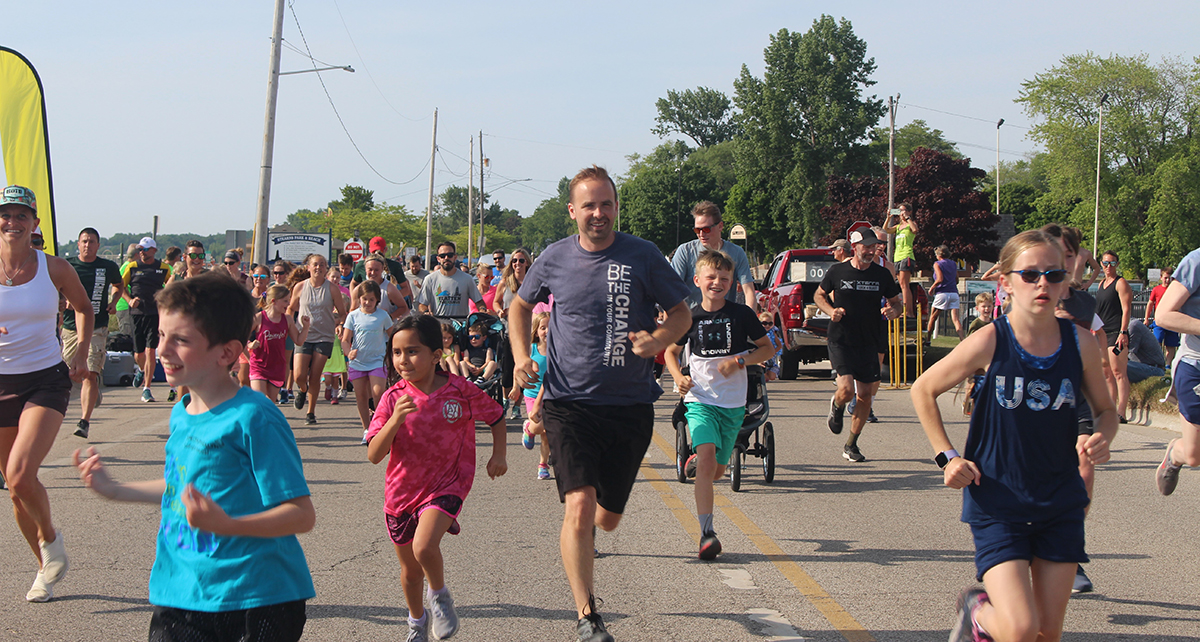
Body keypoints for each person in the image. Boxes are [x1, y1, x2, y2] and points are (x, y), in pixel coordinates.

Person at [72, 271, 316, 639]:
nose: (165, 350)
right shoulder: (182, 412)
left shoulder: (255, 417)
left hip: (255, 598)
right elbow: (183, 485)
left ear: (227, 353)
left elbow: (300, 514)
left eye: (181, 340)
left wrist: (229, 525)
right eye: (164, 336)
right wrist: (116, 489)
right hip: (181, 592)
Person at [509, 166, 691, 642]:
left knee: (605, 520)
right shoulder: (553, 259)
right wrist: (521, 356)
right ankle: (587, 616)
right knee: (579, 506)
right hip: (568, 404)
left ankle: (590, 537)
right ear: (573, 211)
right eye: (588, 205)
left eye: (606, 204)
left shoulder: (643, 255)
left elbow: (681, 313)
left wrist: (659, 340)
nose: (598, 213)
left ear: (615, 207)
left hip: (629, 406)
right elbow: (519, 306)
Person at [910, 229, 1117, 642]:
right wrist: (947, 457)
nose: (1043, 284)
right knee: (1021, 629)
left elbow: (1106, 410)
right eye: (1031, 275)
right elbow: (923, 389)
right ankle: (978, 610)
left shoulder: (1080, 344)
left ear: (1067, 281)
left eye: (1054, 275)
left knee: (1046, 634)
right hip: (998, 499)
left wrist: (1103, 437)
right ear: (1005, 282)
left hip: (1060, 500)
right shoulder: (991, 339)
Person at [366, 315, 507, 642]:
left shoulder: (460, 391)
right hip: (401, 494)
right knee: (411, 573)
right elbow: (374, 454)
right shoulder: (392, 398)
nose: (403, 360)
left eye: (412, 351)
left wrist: (498, 454)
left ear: (436, 354)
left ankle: (440, 597)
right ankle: (417, 621)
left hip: (447, 484)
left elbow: (497, 416)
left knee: (425, 546)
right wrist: (395, 419)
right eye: (397, 353)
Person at [0, 185, 94, 602]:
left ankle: (51, 540)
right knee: (17, 487)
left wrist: (81, 355)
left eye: (21, 216)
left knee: (20, 473)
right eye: (5, 215)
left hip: (44, 379)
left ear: (35, 224)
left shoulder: (54, 268)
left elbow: (84, 307)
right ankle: (45, 567)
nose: (12, 223)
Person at [664, 250, 774, 560]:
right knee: (708, 459)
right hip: (700, 400)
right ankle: (706, 533)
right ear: (697, 281)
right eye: (710, 277)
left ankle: (699, 462)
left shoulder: (742, 316)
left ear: (731, 284)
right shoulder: (689, 317)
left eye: (724, 278)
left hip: (733, 404)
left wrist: (740, 360)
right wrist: (678, 378)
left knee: (717, 471)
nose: (717, 283)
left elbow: (767, 349)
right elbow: (671, 353)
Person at [814, 228, 902, 462]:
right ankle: (837, 403)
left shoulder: (881, 274)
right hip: (841, 339)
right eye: (867, 246)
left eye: (875, 247)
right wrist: (831, 311)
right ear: (855, 247)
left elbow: (897, 302)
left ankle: (851, 444)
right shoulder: (837, 271)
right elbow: (819, 295)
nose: (872, 250)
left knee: (864, 396)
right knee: (846, 390)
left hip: (869, 341)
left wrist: (894, 310)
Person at [62, 227, 124, 439]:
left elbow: (118, 284)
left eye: (92, 242)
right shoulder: (67, 265)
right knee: (71, 373)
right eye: (84, 241)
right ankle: (93, 392)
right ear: (78, 244)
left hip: (97, 326)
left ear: (98, 245)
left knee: (89, 372)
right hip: (71, 328)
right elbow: (53, 288)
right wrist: (63, 301)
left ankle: (84, 421)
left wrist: (114, 302)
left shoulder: (107, 266)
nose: (88, 245)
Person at [1153, 244, 1200, 496]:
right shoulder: (1197, 261)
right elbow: (1163, 315)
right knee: (1194, 455)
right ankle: (1175, 454)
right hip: (1196, 363)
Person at [288, 253, 348, 425]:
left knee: (315, 375)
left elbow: (342, 313)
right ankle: (302, 389)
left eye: (322, 265)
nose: (318, 268)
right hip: (304, 335)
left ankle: (310, 412)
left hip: (324, 337)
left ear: (326, 269)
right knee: (299, 374)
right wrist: (290, 326)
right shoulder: (300, 287)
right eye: (315, 264)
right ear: (308, 267)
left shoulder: (332, 289)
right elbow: (291, 309)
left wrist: (336, 322)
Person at [669, 201, 756, 311]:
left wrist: (750, 321)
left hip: (725, 319)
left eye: (706, 229)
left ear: (720, 226)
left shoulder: (737, 252)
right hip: (692, 320)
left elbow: (749, 291)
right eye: (697, 230)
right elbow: (672, 291)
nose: (701, 234)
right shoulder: (685, 251)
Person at [123, 236, 175, 403]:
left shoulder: (163, 268)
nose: (142, 253)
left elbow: (173, 284)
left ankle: (147, 388)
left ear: (154, 250)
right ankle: (141, 369)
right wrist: (129, 300)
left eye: (145, 250)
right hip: (137, 313)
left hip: (155, 313)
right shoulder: (132, 267)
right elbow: (120, 285)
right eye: (140, 250)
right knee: (139, 354)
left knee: (150, 350)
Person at [342, 280, 391, 444]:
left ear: (377, 299)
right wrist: (349, 352)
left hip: (377, 360)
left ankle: (380, 427)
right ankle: (367, 429)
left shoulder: (383, 316)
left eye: (371, 299)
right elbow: (345, 339)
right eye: (364, 299)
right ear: (359, 299)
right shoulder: (353, 316)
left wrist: (395, 353)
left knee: (378, 393)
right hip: (358, 363)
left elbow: (393, 335)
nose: (368, 303)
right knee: (361, 396)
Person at [248, 285, 310, 405]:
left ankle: (267, 423)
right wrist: (250, 345)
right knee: (260, 401)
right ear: (273, 301)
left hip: (277, 367)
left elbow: (298, 340)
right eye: (285, 301)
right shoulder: (259, 318)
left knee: (270, 404)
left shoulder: (287, 319)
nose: (288, 304)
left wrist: (306, 328)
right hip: (259, 365)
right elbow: (242, 337)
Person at [493, 248, 534, 418]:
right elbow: (496, 302)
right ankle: (505, 400)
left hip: (529, 334)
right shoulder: (505, 282)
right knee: (507, 371)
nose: (518, 263)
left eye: (521, 260)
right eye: (515, 260)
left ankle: (517, 406)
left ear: (527, 263)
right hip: (509, 333)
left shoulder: (533, 283)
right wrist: (499, 311)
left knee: (525, 371)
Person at [1095, 250, 1133, 421]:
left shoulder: (1121, 283)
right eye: (1105, 263)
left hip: (1116, 333)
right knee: (1107, 373)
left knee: (1118, 372)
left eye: (1111, 263)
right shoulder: (1102, 283)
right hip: (1102, 333)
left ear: (1117, 264)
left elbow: (1126, 309)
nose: (1108, 267)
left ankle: (1121, 412)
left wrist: (1123, 331)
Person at [520, 312, 553, 479]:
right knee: (539, 427)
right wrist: (514, 387)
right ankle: (529, 429)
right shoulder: (531, 349)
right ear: (536, 330)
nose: (546, 331)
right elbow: (519, 369)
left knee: (546, 432)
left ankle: (543, 465)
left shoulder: (557, 351)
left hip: (551, 395)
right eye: (543, 328)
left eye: (550, 327)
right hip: (532, 394)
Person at [416, 241, 483, 324]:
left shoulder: (467, 279)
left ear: (455, 257)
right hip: (439, 325)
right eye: (442, 256)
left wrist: (482, 311)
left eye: (450, 255)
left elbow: (479, 302)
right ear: (438, 259)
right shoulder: (430, 279)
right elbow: (422, 304)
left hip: (460, 324)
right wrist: (425, 312)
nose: (446, 258)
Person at [883, 202, 919, 318]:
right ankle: (905, 310)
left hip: (906, 255)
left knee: (904, 285)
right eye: (899, 211)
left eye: (902, 210)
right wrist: (888, 217)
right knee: (900, 284)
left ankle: (908, 311)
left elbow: (915, 230)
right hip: (897, 257)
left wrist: (908, 218)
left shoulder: (910, 224)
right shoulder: (898, 227)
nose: (900, 213)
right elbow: (885, 230)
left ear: (908, 211)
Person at [351, 253, 410, 323]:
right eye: (370, 269)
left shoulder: (389, 289)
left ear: (382, 269)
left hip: (385, 331)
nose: (373, 273)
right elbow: (352, 312)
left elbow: (403, 307)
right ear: (365, 269)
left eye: (376, 270)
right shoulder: (358, 290)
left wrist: (389, 317)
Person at [1144, 266, 1179, 367]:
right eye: (1165, 277)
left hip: (1172, 321)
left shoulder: (1175, 290)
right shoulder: (1156, 289)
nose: (1167, 280)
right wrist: (1146, 318)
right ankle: (1158, 362)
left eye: (1170, 278)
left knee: (1171, 345)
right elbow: (1150, 303)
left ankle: (1168, 364)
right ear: (1161, 277)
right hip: (1159, 320)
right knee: (1157, 342)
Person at [927, 245, 964, 340]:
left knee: (932, 318)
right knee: (955, 319)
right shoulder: (953, 264)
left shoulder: (937, 264)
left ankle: (927, 340)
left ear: (938, 255)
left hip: (942, 293)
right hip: (954, 293)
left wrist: (932, 288)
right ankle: (962, 340)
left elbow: (940, 279)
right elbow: (957, 280)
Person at [1125, 318, 1166, 383]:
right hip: (1143, 366)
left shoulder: (1133, 326)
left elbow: (1129, 355)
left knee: (1117, 365)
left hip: (1154, 369)